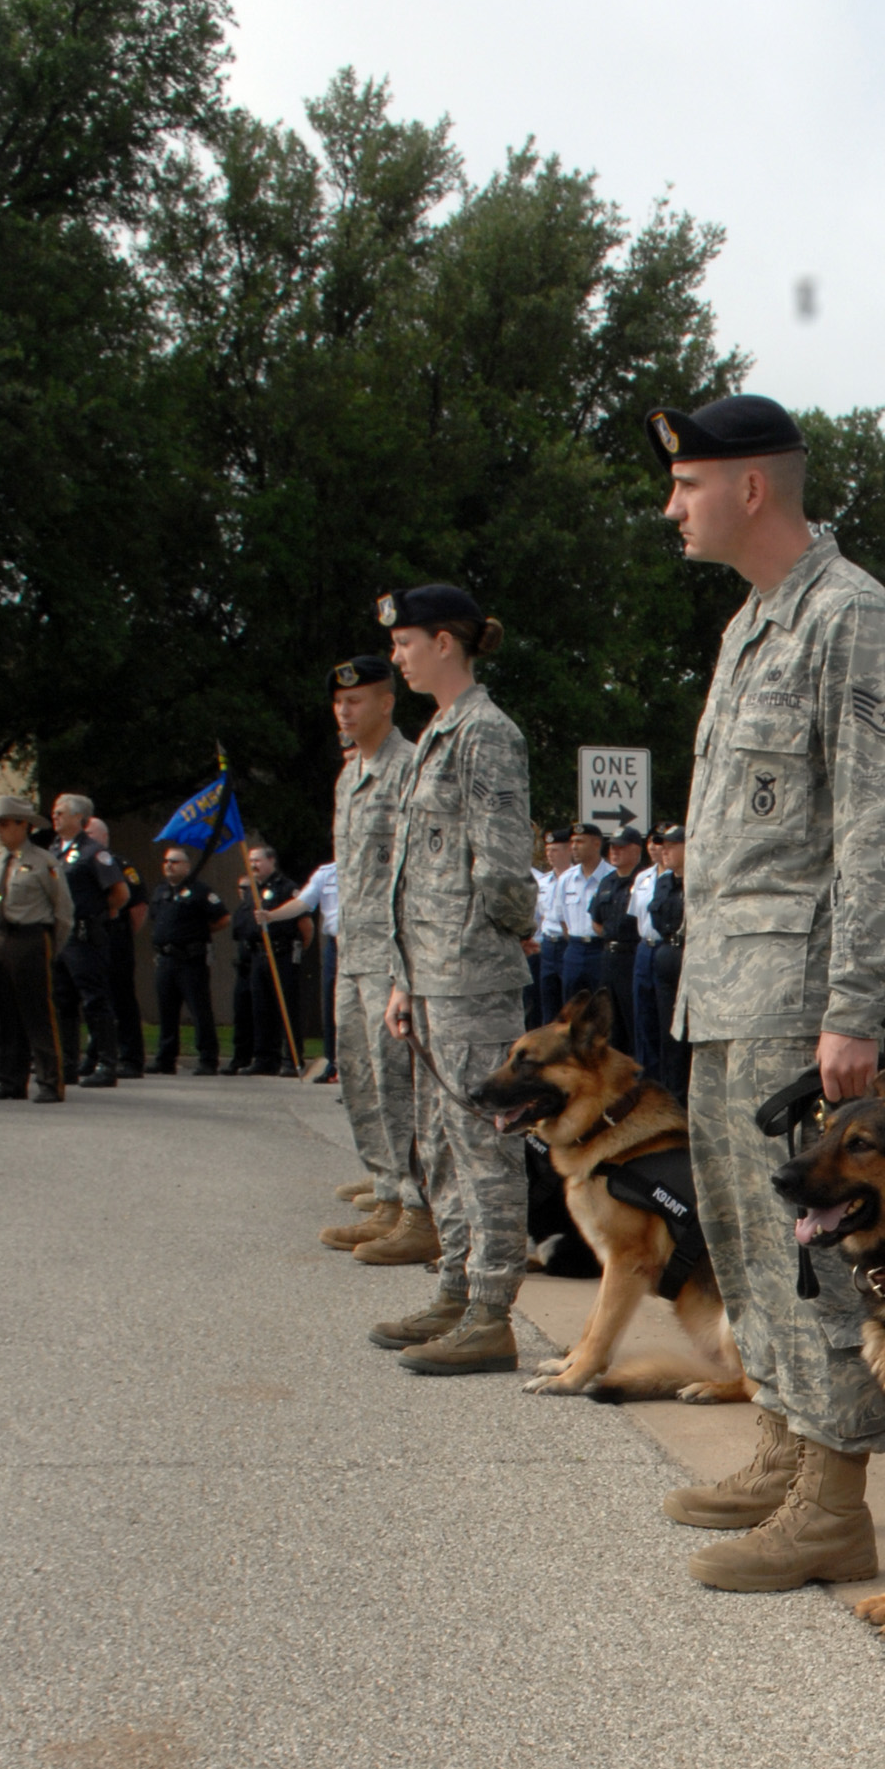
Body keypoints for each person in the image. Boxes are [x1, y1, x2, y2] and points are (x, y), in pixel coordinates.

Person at [650, 390, 885, 1589]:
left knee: (813, 1246)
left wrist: (857, 1005)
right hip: (728, 990)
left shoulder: (849, 618)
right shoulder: (749, 626)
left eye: (686, 485)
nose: (672, 507)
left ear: (751, 487)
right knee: (746, 1232)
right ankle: (783, 1446)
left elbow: (883, 820)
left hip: (802, 998)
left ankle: (834, 1498)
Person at [370, 586, 536, 1371]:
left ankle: (491, 1311)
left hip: (470, 978)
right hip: (430, 978)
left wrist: (478, 951)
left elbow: (503, 870)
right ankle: (455, 1288)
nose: (396, 656)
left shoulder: (486, 734)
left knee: (484, 1147)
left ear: (444, 641)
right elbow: (414, 874)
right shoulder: (436, 731)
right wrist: (406, 980)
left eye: (404, 642)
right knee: (440, 1144)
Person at [301, 657, 438, 1266]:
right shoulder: (351, 774)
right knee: (359, 1078)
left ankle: (418, 1207)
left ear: (386, 702)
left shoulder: (409, 769)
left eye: (355, 701)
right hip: (353, 948)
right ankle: (387, 1192)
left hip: (391, 954)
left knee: (397, 1083)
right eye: (338, 703)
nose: (344, 711)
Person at [0, 792, 72, 1100]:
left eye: (4, 824)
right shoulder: (0, 860)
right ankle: (11, 1080)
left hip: (31, 939)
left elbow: (63, 912)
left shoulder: (44, 862)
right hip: (2, 938)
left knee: (38, 1013)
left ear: (23, 825)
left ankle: (50, 1081)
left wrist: (50, 948)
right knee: (6, 1014)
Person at [47, 794, 124, 1087]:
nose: (55, 817)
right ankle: (67, 1064)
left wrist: (99, 916)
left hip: (84, 935)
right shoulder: (53, 850)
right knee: (63, 1002)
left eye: (61, 812)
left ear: (80, 818)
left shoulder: (94, 852)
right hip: (61, 937)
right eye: (54, 812)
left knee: (94, 1001)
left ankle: (107, 1064)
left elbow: (119, 893)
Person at [145, 843, 228, 1073]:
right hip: (165, 959)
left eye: (174, 862)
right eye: (166, 862)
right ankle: (165, 1059)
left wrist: (197, 933)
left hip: (191, 960)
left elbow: (222, 918)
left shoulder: (200, 891)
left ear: (187, 866)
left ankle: (208, 1059)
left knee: (199, 1011)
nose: (169, 865)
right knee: (167, 1011)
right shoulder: (161, 891)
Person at [260, 849, 341, 1081]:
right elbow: (302, 903)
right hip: (336, 944)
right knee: (331, 1005)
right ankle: (333, 1064)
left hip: (367, 944)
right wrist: (271, 916)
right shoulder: (327, 874)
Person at [228, 842, 307, 1075]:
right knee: (261, 1008)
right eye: (250, 861)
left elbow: (305, 926)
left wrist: (295, 951)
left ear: (271, 861)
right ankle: (265, 1058)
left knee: (286, 1007)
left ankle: (292, 1060)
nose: (253, 865)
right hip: (258, 955)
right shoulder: (252, 890)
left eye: (258, 860)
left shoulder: (286, 888)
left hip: (281, 953)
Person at [87, 820, 149, 1078]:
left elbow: (138, 908)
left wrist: (122, 935)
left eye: (88, 833)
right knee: (95, 998)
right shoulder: (82, 865)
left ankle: (131, 1058)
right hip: (92, 936)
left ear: (103, 836)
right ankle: (95, 1055)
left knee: (121, 997)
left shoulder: (122, 866)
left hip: (115, 937)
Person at [591, 823, 646, 1055]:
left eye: (621, 848)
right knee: (610, 1023)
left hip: (632, 955)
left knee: (634, 1019)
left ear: (636, 850)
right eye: (612, 847)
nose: (614, 852)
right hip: (608, 957)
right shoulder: (607, 881)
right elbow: (596, 920)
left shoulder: (644, 880)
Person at [648, 823, 689, 1100]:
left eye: (672, 846)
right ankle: (672, 1094)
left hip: (689, 953)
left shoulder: (697, 880)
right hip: (666, 953)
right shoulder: (663, 882)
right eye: (663, 847)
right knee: (667, 1032)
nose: (665, 852)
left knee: (689, 1033)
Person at [629, 828, 666, 1076]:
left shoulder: (680, 877)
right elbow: (636, 916)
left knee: (665, 1021)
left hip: (667, 948)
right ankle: (648, 1076)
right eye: (652, 842)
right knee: (643, 1019)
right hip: (645, 949)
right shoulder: (642, 878)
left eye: (662, 843)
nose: (654, 847)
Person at [560, 823, 609, 1000]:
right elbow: (563, 918)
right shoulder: (566, 879)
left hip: (600, 949)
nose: (574, 847)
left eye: (580, 841)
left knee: (600, 1008)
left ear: (596, 844)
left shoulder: (610, 877)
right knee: (572, 1008)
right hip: (574, 949)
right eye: (572, 842)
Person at [533, 828, 573, 1023]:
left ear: (568, 850)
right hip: (548, 945)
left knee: (570, 1002)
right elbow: (539, 917)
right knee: (548, 1002)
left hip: (568, 943)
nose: (549, 854)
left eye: (555, 850)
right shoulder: (542, 882)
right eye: (548, 850)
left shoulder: (574, 878)